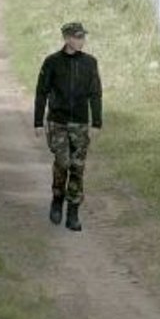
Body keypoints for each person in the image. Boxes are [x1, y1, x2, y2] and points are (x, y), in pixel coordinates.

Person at [33, 21, 103, 231]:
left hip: (80, 123)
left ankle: (73, 212)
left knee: (77, 167)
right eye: (77, 37)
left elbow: (95, 94)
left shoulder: (90, 63)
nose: (81, 41)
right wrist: (38, 121)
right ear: (67, 38)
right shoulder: (52, 62)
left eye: (83, 37)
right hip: (58, 121)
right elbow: (41, 92)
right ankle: (57, 197)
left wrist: (97, 122)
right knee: (62, 161)